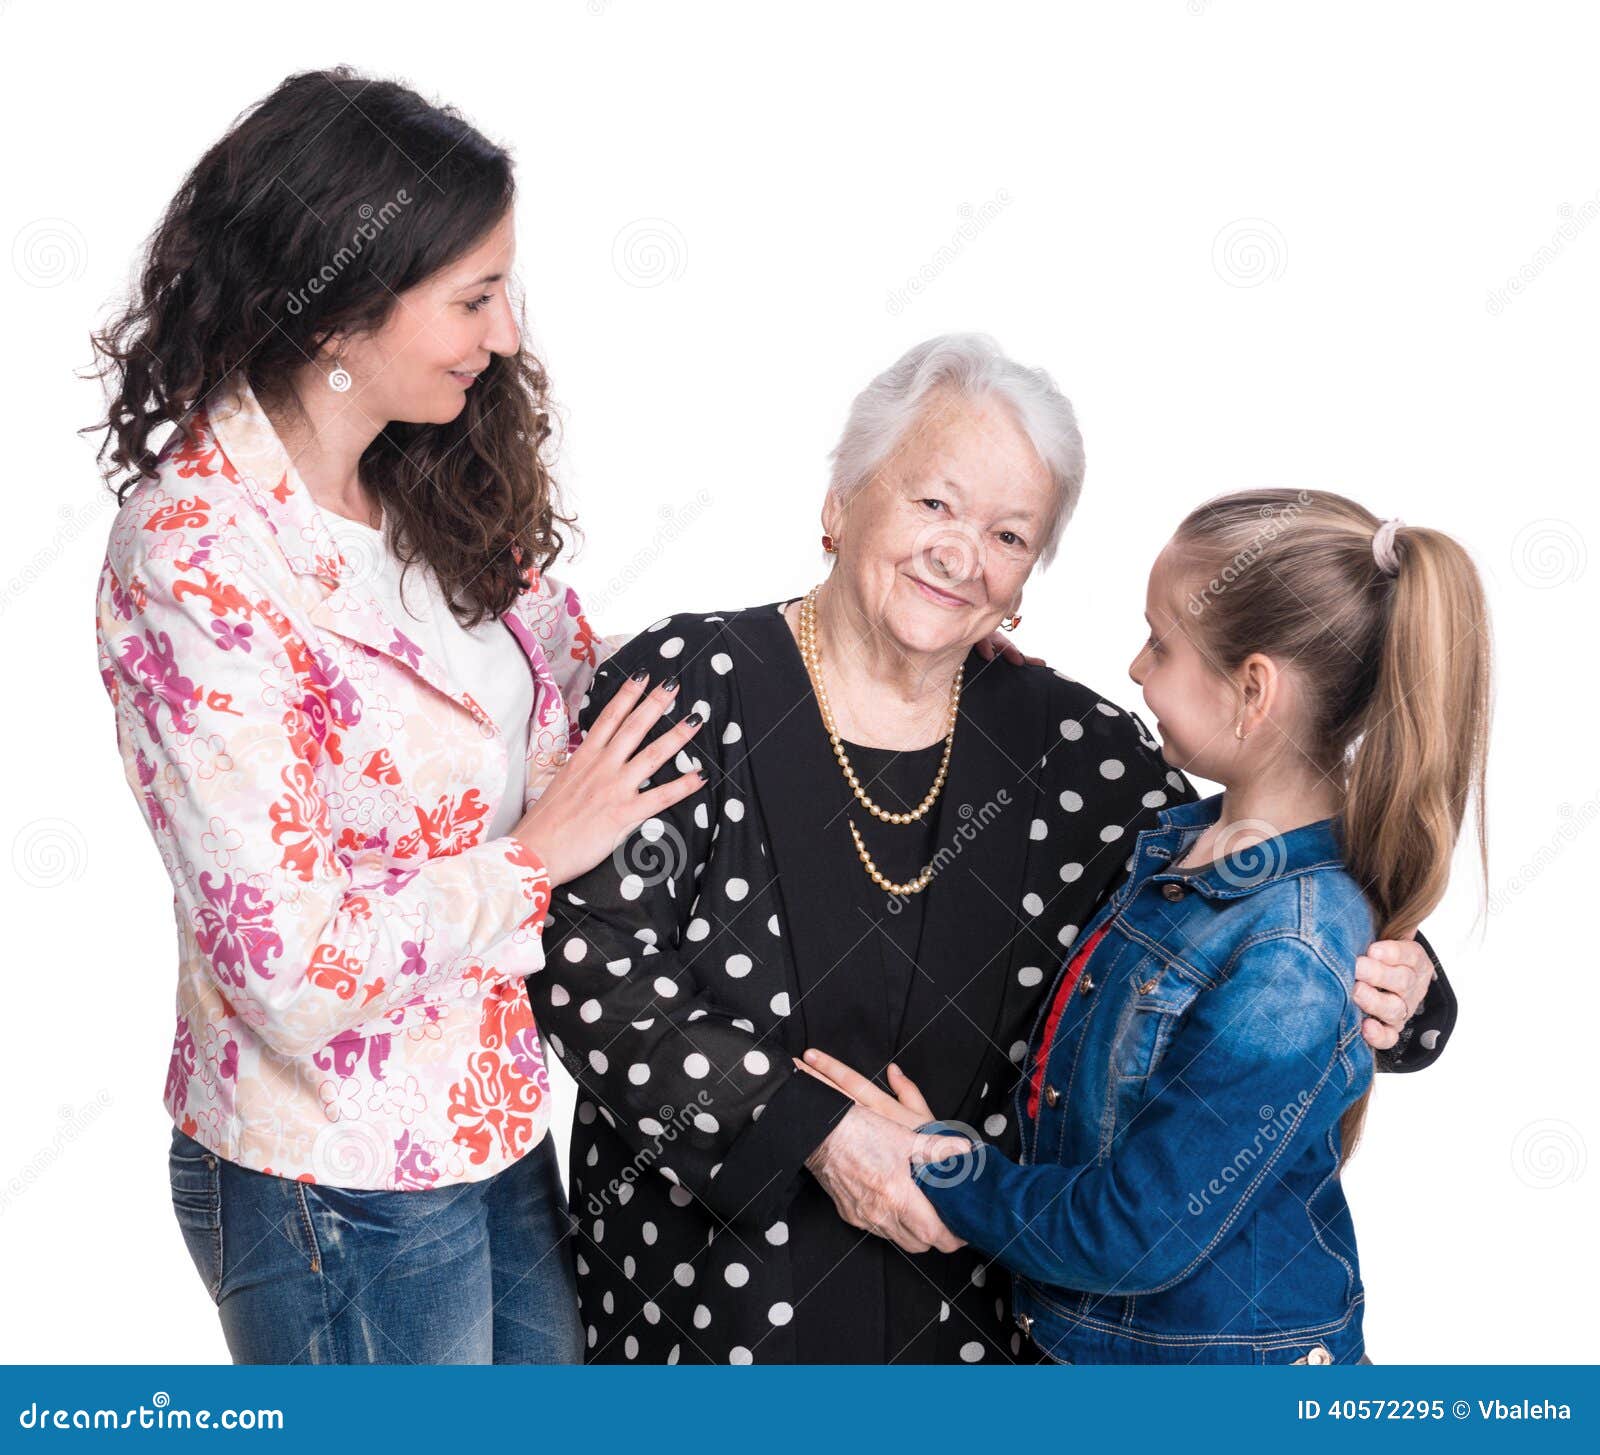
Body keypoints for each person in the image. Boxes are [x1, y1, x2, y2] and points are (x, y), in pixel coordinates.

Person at [534, 337, 1452, 1364]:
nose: (961, 554)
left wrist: (1410, 993)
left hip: (991, 1326)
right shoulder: (690, 683)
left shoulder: (1083, 747)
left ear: (1025, 577)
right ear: (841, 499)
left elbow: (1255, 902)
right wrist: (813, 1129)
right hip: (711, 1309)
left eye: (1008, 534)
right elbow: (583, 963)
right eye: (934, 503)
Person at [89, 67, 710, 1364]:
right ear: (341, 306)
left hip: (490, 1112)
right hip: (331, 1169)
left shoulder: (425, 483)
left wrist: (873, 634)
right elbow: (288, 969)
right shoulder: (196, 554)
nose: (506, 336)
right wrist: (535, 858)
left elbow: (590, 692)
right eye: (473, 298)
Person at [859, 489, 1491, 1363]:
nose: (1134, 666)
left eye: (1159, 643)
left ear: (1253, 690)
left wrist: (941, 1163)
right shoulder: (1184, 839)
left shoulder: (1291, 950)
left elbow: (1133, 1233)